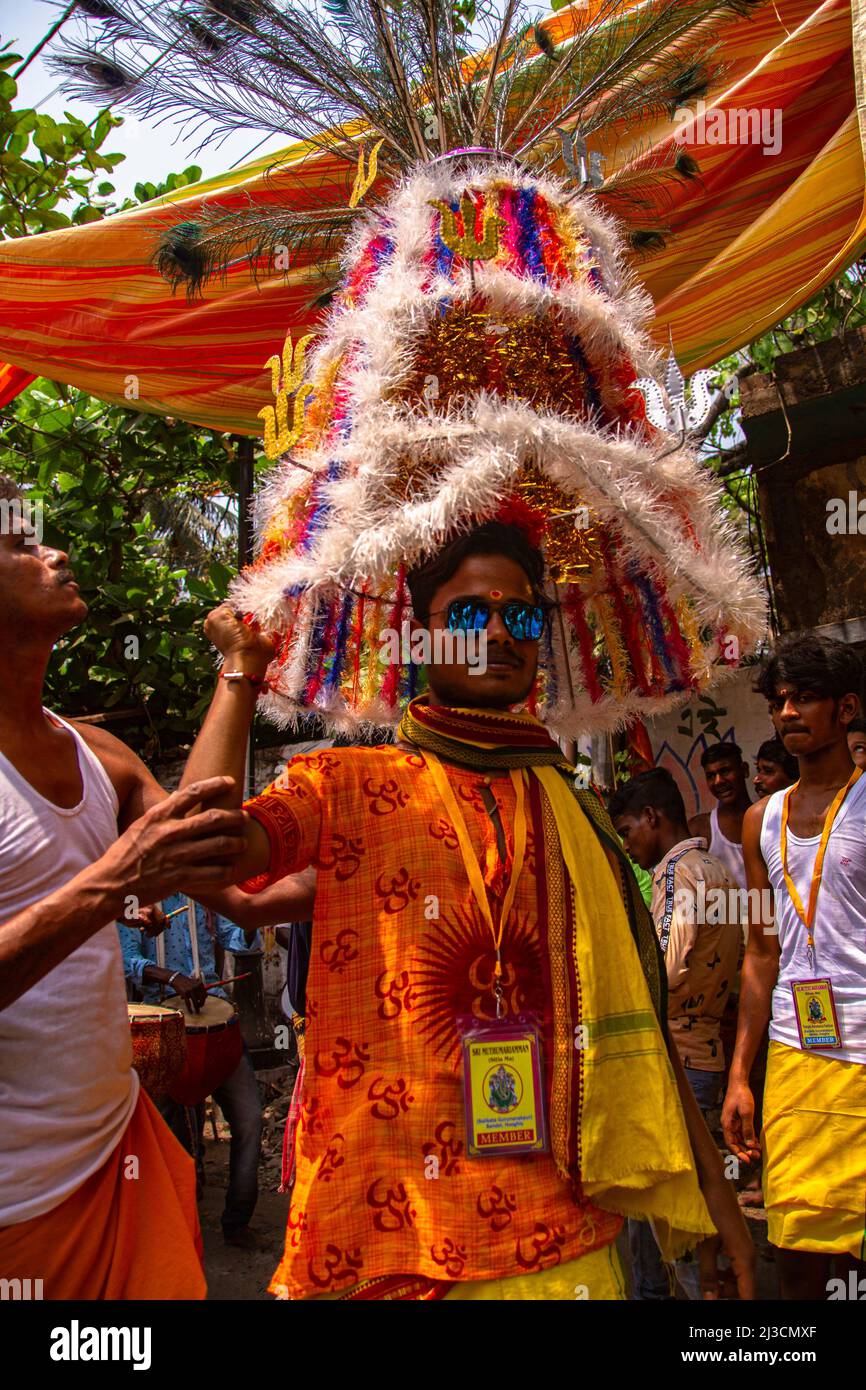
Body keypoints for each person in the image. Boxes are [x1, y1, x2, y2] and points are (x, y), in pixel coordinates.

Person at [182, 521, 754, 1302]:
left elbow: (641, 1020)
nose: (495, 632)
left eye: (519, 616)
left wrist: (717, 1203)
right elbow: (202, 845)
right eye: (466, 615)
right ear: (421, 637)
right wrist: (242, 668)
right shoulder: (346, 786)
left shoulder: (572, 806)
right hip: (391, 1231)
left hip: (565, 1228)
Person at [0, 476, 245, 1299]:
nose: (54, 552)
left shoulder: (96, 749)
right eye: (19, 546)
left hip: (116, 1152)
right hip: (18, 1204)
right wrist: (113, 881)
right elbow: (135, 869)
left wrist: (240, 668)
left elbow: (207, 845)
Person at [722, 633, 866, 1299]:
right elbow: (759, 950)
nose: (787, 712)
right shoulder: (760, 820)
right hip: (795, 1052)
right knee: (799, 1247)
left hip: (862, 1055)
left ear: (847, 708)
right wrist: (739, 1076)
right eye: (779, 700)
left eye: (805, 697)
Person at [610, 768, 741, 1300]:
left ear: (651, 818)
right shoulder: (718, 870)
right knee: (705, 1205)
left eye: (627, 830)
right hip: (707, 1051)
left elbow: (663, 970)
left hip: (677, 1058)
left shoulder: (676, 875)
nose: (627, 843)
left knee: (666, 1213)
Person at [119, 893, 265, 1248]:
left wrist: (251, 918)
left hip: (216, 1021)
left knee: (250, 1118)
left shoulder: (207, 892)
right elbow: (126, 960)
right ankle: (181, 1230)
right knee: (176, 1137)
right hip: (163, 1023)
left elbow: (237, 938)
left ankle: (237, 1221)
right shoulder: (138, 895)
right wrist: (171, 978)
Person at [689, 742, 752, 891]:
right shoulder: (701, 829)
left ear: (744, 770)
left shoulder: (767, 818)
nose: (718, 781)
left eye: (724, 771)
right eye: (711, 776)